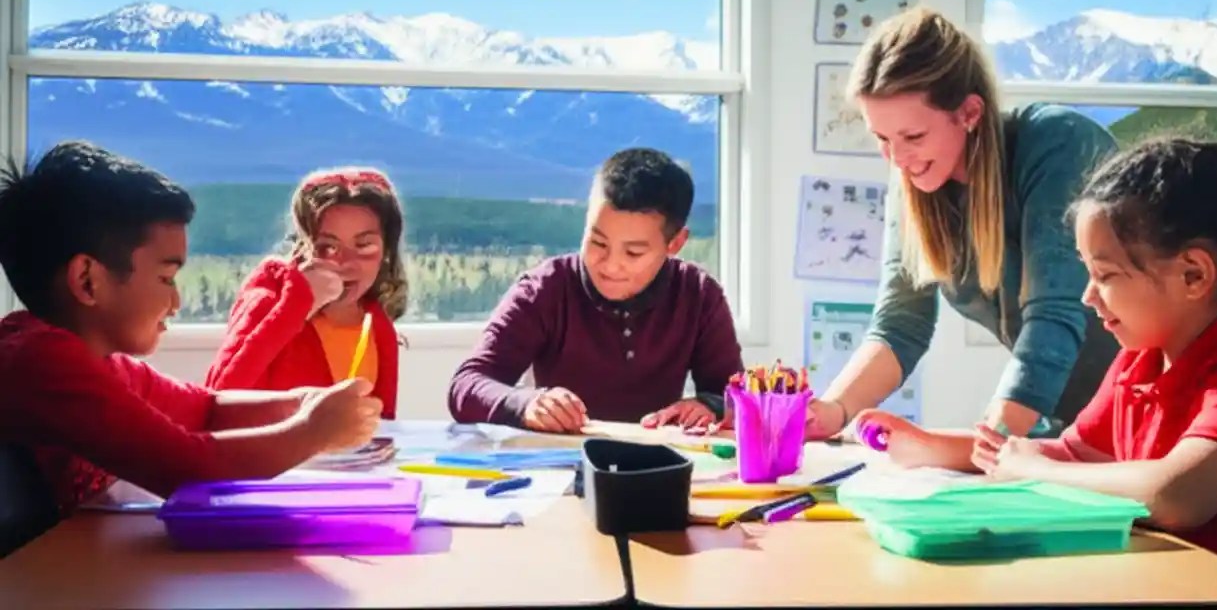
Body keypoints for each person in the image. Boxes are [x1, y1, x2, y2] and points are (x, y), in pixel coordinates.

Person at [864, 139, 1217, 581]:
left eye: (1106, 276)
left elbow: (1177, 496)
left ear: (1193, 274)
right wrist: (933, 448)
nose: (1088, 296)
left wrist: (1033, 471)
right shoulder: (1139, 361)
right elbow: (1074, 456)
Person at [0, 141, 379, 528]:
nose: (176, 301)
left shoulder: (104, 364)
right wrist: (312, 431)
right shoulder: (39, 360)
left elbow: (205, 410)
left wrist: (299, 403)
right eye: (166, 278)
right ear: (87, 280)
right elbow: (187, 468)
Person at [807, 7, 1120, 454]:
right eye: (882, 138)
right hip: (1073, 423)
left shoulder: (1057, 144)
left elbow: (1053, 316)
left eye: (913, 136)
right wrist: (832, 411)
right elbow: (899, 326)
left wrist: (988, 445)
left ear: (970, 112)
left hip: (1160, 408)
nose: (896, 158)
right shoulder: (914, 178)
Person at [447, 148, 744, 432]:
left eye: (634, 253)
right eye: (598, 243)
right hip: (561, 467)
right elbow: (466, 385)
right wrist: (525, 404)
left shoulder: (699, 294)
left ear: (675, 244)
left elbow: (737, 394)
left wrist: (709, 406)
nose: (610, 266)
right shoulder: (546, 288)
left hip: (661, 468)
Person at [205, 167, 407, 418]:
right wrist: (298, 306)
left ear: (386, 250)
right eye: (328, 246)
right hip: (270, 458)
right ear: (306, 246)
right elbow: (217, 400)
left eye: (364, 245)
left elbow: (380, 427)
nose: (346, 261)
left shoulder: (377, 324)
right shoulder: (270, 296)